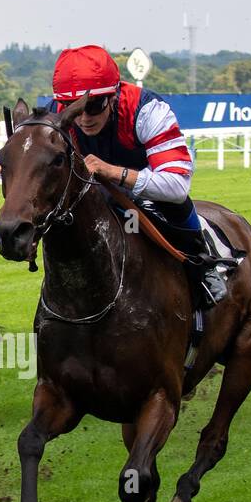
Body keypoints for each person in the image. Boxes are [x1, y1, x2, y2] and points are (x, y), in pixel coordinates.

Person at [48, 44, 227, 306]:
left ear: (112, 94)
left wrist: (112, 171)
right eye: (74, 107)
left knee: (173, 203)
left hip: (150, 188)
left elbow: (177, 186)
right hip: (97, 193)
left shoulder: (147, 110)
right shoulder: (57, 112)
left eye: (94, 105)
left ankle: (202, 264)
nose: (84, 117)